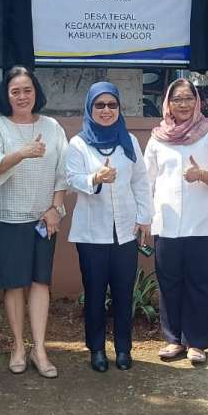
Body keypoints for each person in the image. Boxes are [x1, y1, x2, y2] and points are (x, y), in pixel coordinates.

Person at [0, 67, 68, 378]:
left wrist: (57, 208)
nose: (22, 96)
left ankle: (39, 348)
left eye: (27, 90)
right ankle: (17, 345)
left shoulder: (53, 127)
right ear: (7, 95)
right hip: (8, 217)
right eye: (16, 91)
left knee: (41, 281)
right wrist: (23, 153)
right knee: (14, 284)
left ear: (36, 92)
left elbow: (62, 172)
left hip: (44, 218)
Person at [145, 79, 208, 365]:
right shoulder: (158, 137)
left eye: (188, 98)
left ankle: (197, 342)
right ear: (168, 103)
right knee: (169, 282)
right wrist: (145, 219)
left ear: (198, 102)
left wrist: (203, 176)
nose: (183, 104)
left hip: (206, 225)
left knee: (201, 283)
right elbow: (146, 181)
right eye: (177, 99)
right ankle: (174, 340)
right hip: (168, 223)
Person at [64, 82, 152, 373]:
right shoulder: (79, 144)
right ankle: (97, 349)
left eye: (111, 105)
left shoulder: (128, 141)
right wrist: (95, 179)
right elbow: (71, 179)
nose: (106, 110)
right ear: (90, 108)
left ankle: (124, 349)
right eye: (99, 105)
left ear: (119, 109)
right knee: (95, 293)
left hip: (126, 231)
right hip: (92, 234)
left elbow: (141, 180)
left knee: (124, 292)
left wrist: (144, 218)